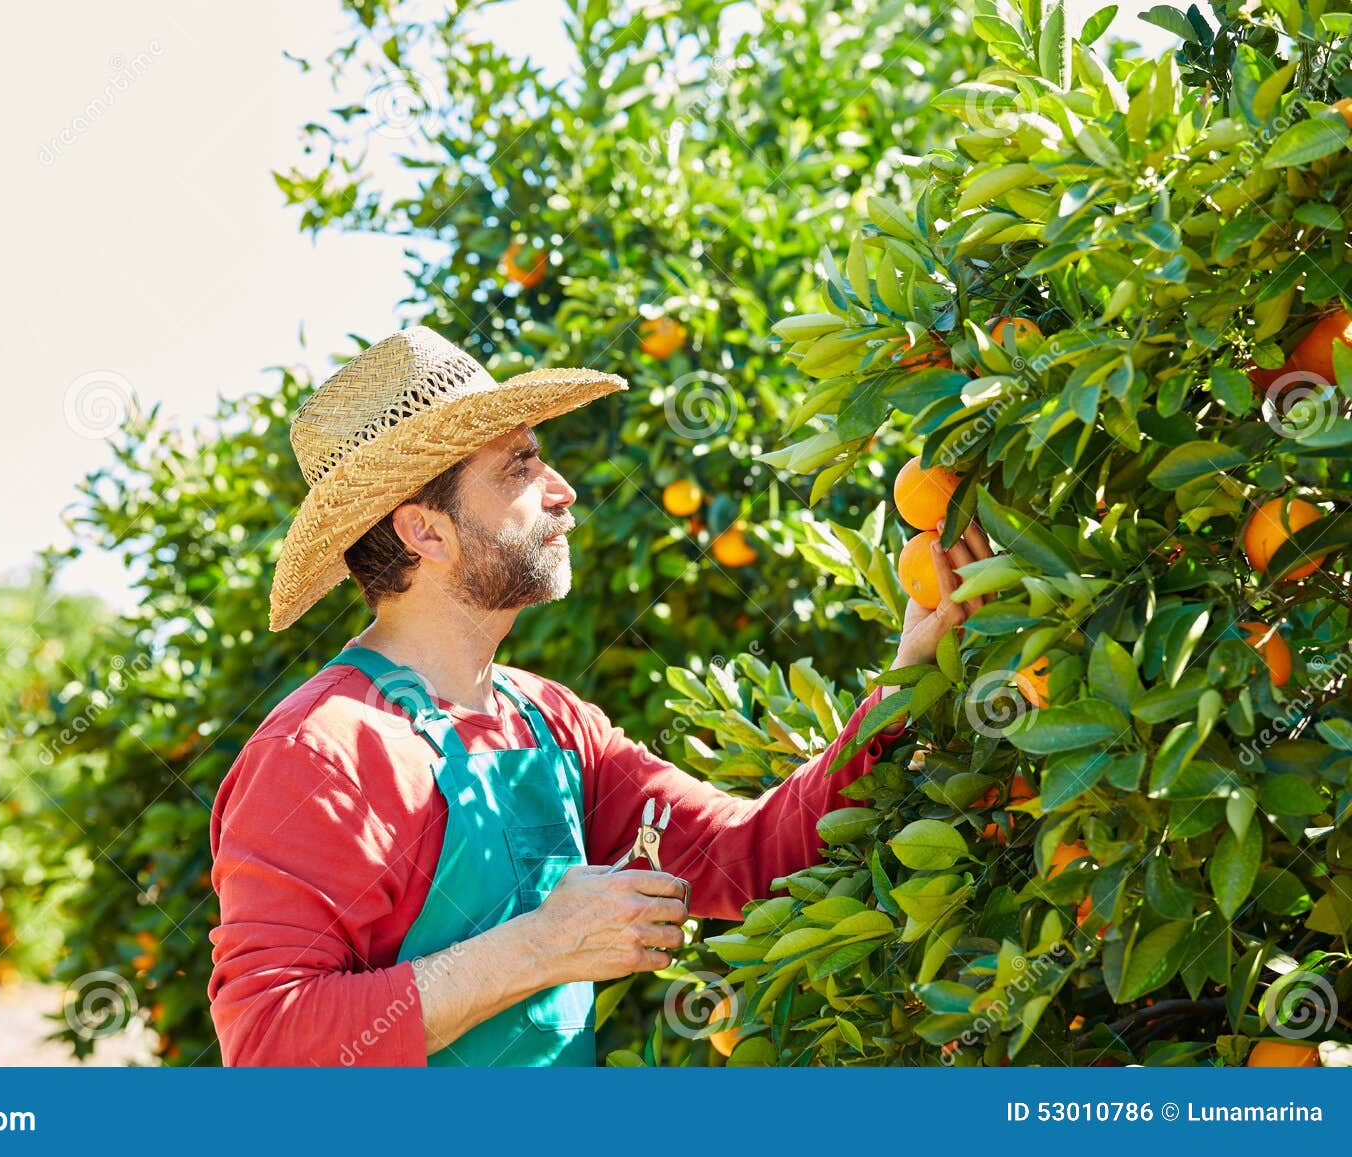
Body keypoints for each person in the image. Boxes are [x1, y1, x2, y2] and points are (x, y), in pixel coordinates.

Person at [207, 326, 991, 1066]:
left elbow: (750, 857)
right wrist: (543, 944)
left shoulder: (548, 721)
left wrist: (904, 682)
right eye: (519, 467)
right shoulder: (321, 751)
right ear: (426, 532)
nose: (564, 490)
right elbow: (273, 1044)